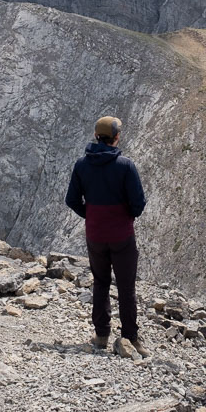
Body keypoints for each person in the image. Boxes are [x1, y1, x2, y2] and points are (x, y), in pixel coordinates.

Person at [65, 115, 149, 357]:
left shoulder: (81, 165)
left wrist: (92, 215)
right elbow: (138, 204)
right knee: (126, 286)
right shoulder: (126, 166)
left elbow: (71, 200)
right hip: (122, 235)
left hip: (95, 235)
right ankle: (130, 338)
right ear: (117, 137)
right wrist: (125, 216)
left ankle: (101, 335)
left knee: (100, 282)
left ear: (96, 136)